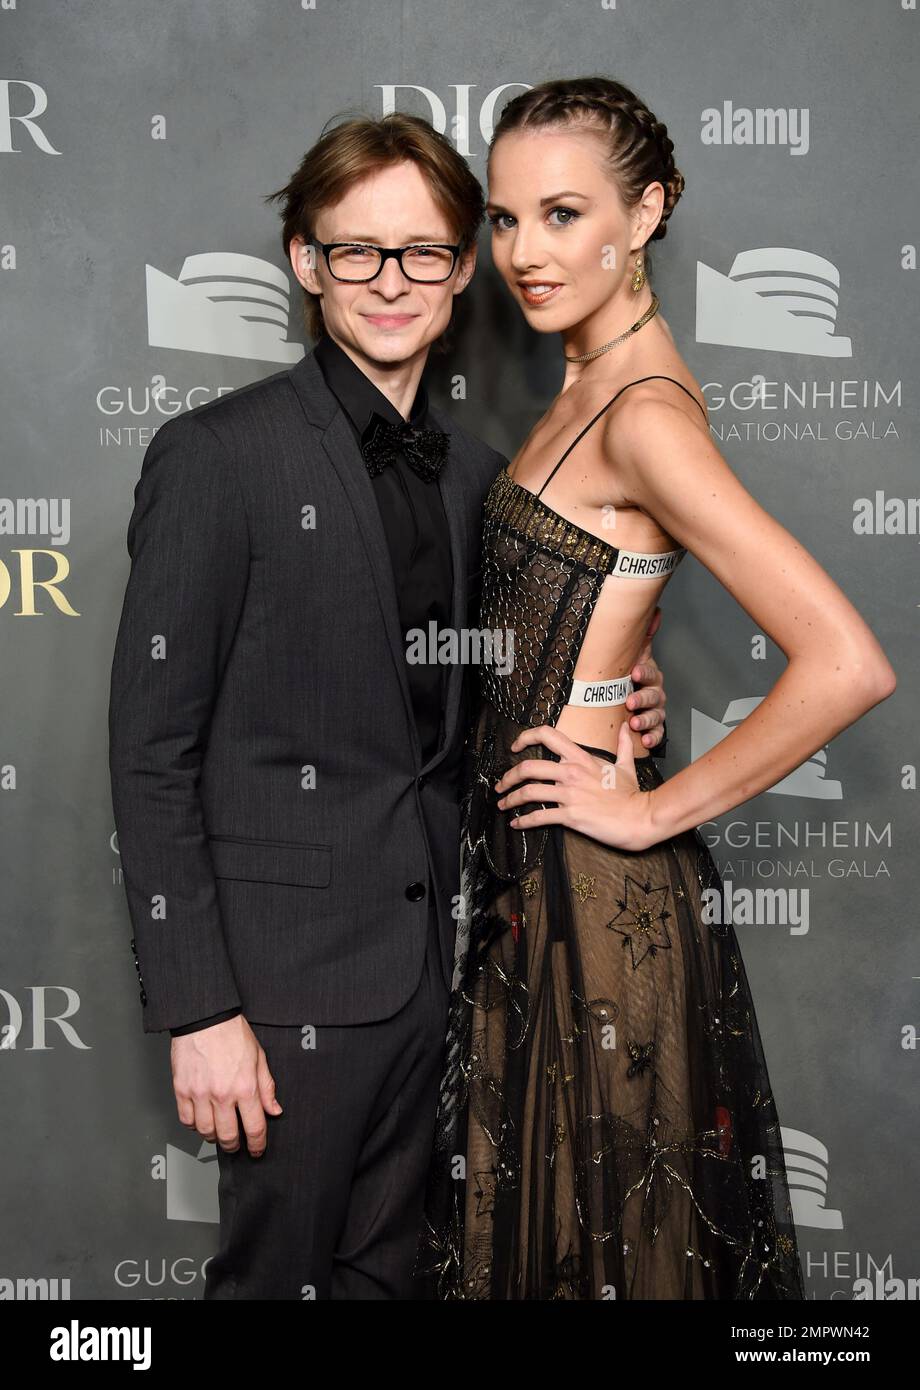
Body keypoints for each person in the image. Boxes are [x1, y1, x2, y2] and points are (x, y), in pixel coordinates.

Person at [107, 110, 670, 1300]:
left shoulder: (475, 476)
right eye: (354, 251)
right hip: (280, 991)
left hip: (452, 971)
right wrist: (199, 1007)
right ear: (306, 264)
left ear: (463, 270)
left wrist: (610, 693)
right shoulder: (218, 457)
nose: (389, 281)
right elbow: (151, 753)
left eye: (422, 252)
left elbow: (481, 696)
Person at [414, 76, 897, 1301]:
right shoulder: (582, 384)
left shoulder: (642, 414)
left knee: (611, 1260)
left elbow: (845, 661)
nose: (523, 253)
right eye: (507, 219)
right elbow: (591, 596)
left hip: (599, 891)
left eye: (563, 214)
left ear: (646, 211)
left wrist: (642, 809)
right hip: (533, 880)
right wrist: (622, 669)